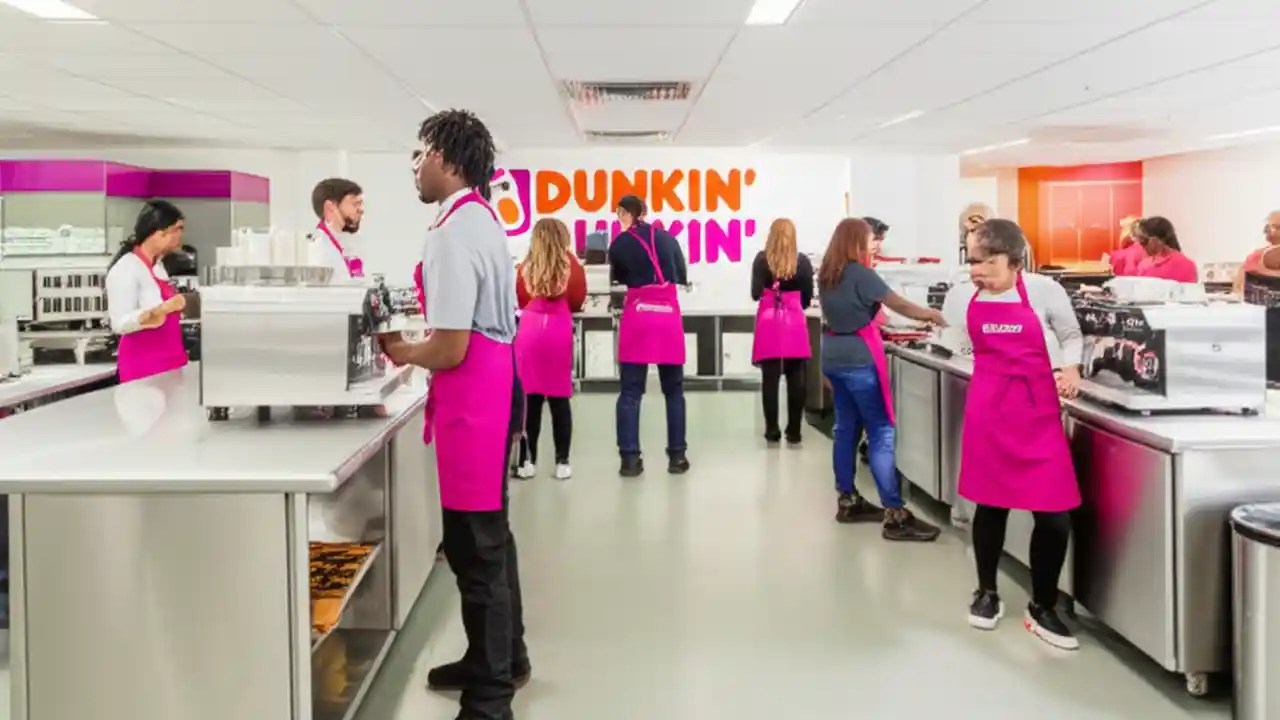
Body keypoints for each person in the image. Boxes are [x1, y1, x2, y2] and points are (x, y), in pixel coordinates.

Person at [380, 108, 528, 720]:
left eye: (420, 155)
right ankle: (504, 659)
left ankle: (490, 698)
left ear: (445, 158)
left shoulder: (450, 233)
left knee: (474, 547)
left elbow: (450, 347)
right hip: (495, 383)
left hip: (474, 395)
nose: (415, 167)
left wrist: (402, 352)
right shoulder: (481, 217)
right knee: (492, 536)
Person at [951, 219, 1083, 651]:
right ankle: (987, 591)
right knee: (990, 504)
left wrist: (1070, 368)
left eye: (987, 262)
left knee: (1055, 514)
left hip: (1037, 413)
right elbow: (959, 342)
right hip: (990, 411)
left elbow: (1071, 334)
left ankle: (1042, 605)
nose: (977, 271)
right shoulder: (963, 296)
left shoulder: (1045, 291)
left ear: (1014, 261)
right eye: (972, 261)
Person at [819, 218, 946, 541]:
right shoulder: (861, 274)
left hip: (833, 354)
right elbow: (897, 303)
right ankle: (895, 513)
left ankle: (847, 500)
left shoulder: (828, 274)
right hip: (859, 358)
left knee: (845, 429)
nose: (874, 245)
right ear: (855, 241)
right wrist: (930, 314)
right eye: (869, 239)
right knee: (880, 432)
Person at [609, 194, 690, 478]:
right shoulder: (668, 239)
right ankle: (677, 457)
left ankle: (630, 460)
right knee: (674, 391)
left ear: (624, 213)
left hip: (638, 316)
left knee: (630, 392)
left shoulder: (619, 244)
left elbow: (618, 279)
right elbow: (680, 275)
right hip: (667, 318)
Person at [513, 217, 586, 480]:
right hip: (558, 329)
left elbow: (520, 298)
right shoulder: (571, 265)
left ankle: (527, 462)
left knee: (530, 400)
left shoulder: (525, 266)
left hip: (530, 329)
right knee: (559, 398)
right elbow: (577, 299)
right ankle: (562, 463)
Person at [106, 200, 189, 383]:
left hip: (170, 361)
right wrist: (158, 311)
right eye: (177, 229)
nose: (180, 236)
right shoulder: (126, 268)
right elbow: (119, 323)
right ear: (158, 233)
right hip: (144, 364)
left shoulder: (158, 267)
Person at [750, 218, 814, 444]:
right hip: (794, 320)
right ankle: (794, 430)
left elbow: (755, 293)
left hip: (769, 322)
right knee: (797, 377)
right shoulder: (802, 262)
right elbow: (807, 299)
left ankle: (772, 429)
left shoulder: (761, 260)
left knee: (770, 378)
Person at [309, 178, 366, 280]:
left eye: (360, 204)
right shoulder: (318, 248)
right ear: (330, 207)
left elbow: (357, 279)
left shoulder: (348, 241)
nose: (361, 210)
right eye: (354, 204)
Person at [1133, 216, 1198, 283]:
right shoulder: (1143, 264)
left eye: (1143, 241)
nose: (1141, 246)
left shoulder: (1185, 265)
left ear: (1157, 240)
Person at [1233, 210, 1280, 292]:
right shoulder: (1256, 256)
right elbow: (1238, 286)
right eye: (1269, 227)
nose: (1268, 230)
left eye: (1277, 227)